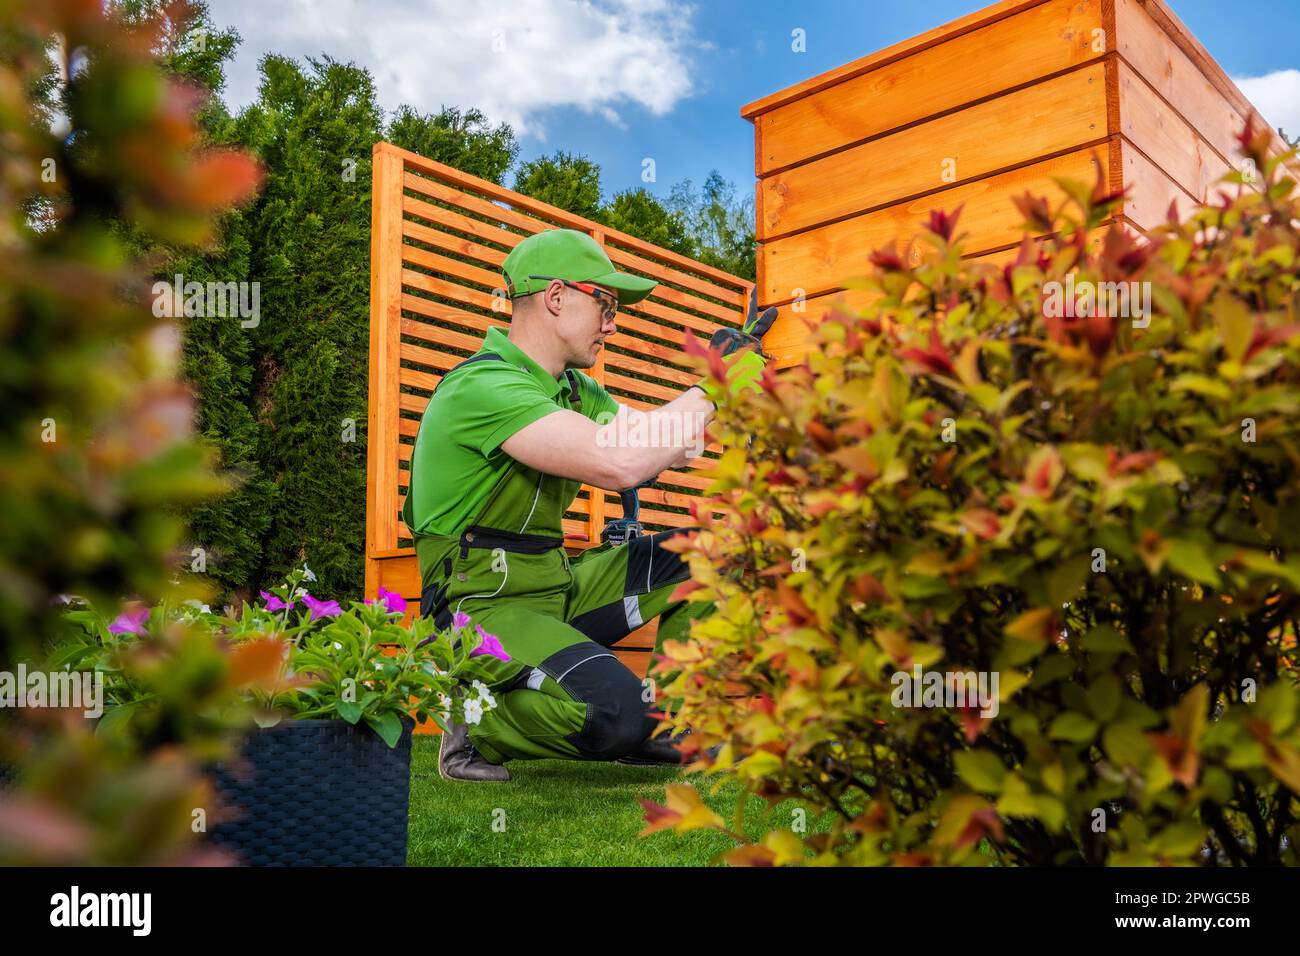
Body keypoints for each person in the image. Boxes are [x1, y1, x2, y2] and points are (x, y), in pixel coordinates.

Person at [403, 228, 774, 781]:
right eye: (606, 305)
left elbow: (664, 448)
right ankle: (477, 724)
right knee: (616, 715)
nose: (612, 324)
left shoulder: (576, 390)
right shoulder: (480, 387)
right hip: (480, 611)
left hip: (556, 588)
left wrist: (732, 386)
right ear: (556, 296)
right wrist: (717, 383)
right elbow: (620, 462)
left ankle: (670, 725)